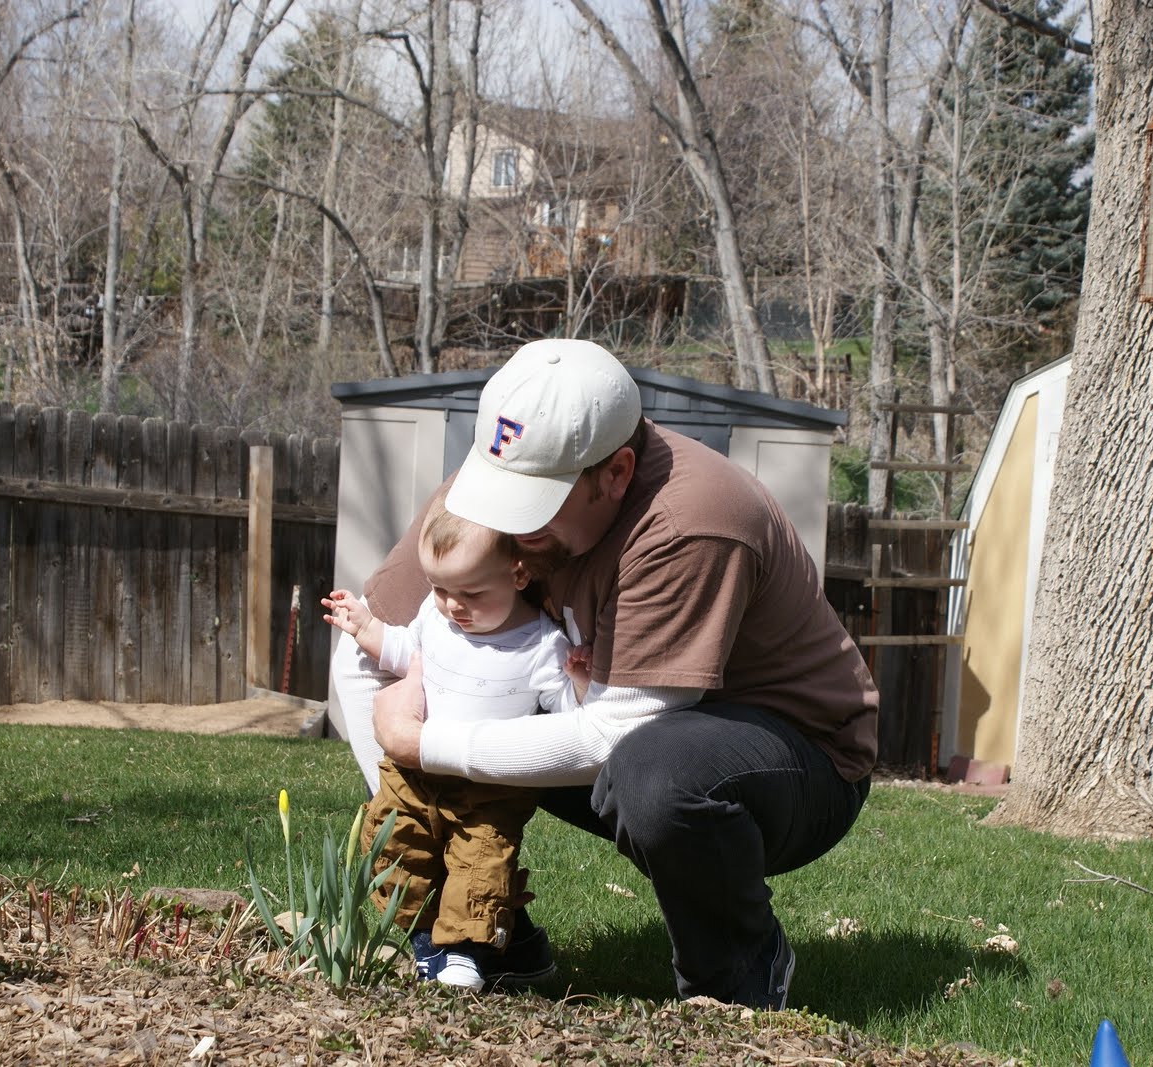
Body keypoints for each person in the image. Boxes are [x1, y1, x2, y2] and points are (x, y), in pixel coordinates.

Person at [331, 337, 878, 1010]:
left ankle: (737, 981)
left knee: (657, 773)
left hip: (798, 758)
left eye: (534, 503)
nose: (507, 523)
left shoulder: (690, 520)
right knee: (479, 712)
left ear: (616, 473)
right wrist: (413, 800)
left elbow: (615, 734)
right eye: (501, 491)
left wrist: (423, 744)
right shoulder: (495, 481)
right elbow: (362, 654)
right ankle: (482, 938)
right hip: (620, 722)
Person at [322, 496, 588, 993]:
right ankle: (427, 938)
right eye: (440, 588)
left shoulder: (540, 645)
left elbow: (569, 718)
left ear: (518, 574)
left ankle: (465, 954)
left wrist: (578, 681)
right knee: (399, 851)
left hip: (489, 789)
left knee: (480, 866)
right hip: (415, 775)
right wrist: (367, 628)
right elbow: (406, 651)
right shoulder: (437, 616)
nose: (453, 605)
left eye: (471, 592)